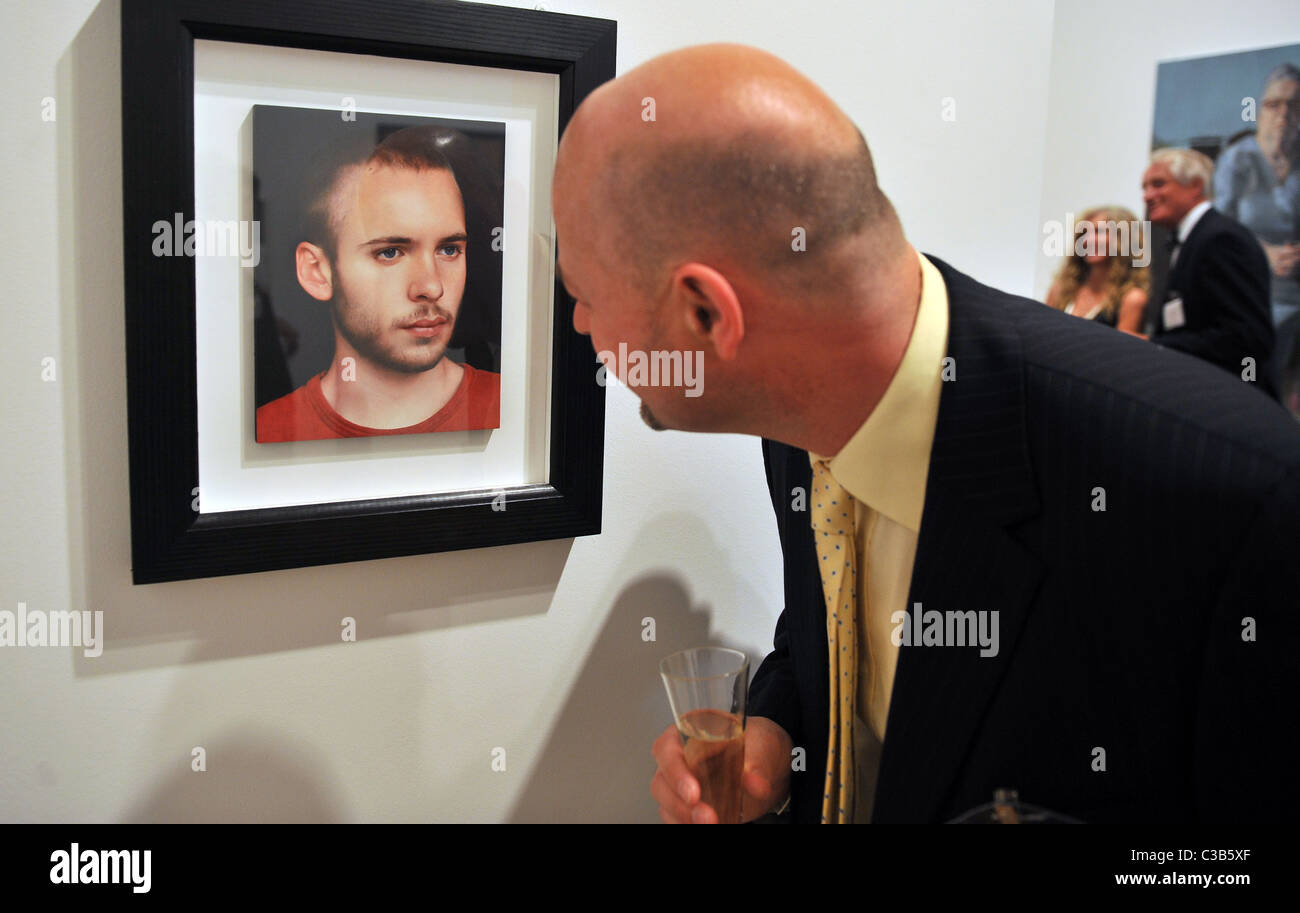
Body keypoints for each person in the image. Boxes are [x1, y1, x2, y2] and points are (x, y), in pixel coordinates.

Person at [550, 44, 1300, 823]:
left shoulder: (1232, 501)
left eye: (584, 294)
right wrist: (780, 728)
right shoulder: (801, 410)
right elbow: (836, 625)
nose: (579, 324)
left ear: (707, 314)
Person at [256, 126, 500, 442]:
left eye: (449, 249)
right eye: (389, 252)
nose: (432, 286)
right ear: (317, 272)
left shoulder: (518, 413)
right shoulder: (266, 437)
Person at [1143, 147, 1278, 398]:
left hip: (1232, 404)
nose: (1148, 195)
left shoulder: (1221, 239)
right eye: (1145, 187)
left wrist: (1153, 346)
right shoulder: (1193, 239)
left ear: (1195, 186)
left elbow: (1247, 337)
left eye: (1158, 184)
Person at [1214, 63, 1300, 415]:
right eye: (1273, 105)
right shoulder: (1239, 160)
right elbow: (1220, 228)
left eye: (1294, 106)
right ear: (1260, 109)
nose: (1283, 115)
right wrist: (1264, 253)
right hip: (1249, 288)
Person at [1044, 205, 1149, 335]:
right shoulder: (1061, 289)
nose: (1088, 240)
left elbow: (1123, 350)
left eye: (1099, 232)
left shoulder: (1132, 299)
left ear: (1125, 240)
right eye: (1084, 233)